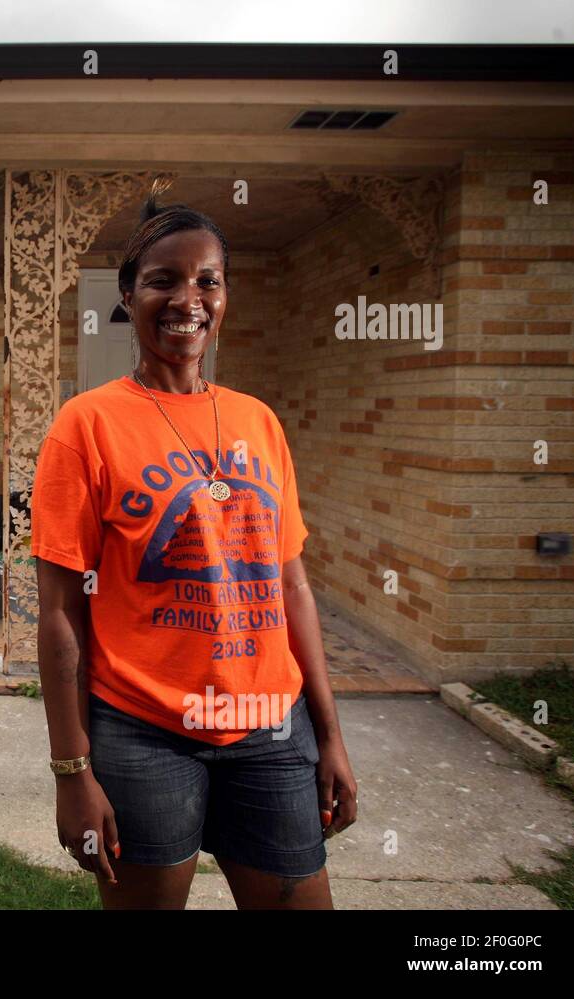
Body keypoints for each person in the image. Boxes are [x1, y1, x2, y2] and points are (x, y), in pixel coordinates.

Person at [30, 186, 358, 909]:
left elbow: (292, 586)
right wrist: (70, 770)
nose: (189, 298)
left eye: (208, 279)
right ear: (128, 294)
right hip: (145, 733)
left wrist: (330, 734)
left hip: (272, 730)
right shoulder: (86, 425)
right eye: (163, 280)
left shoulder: (259, 421)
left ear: (225, 294)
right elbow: (58, 613)